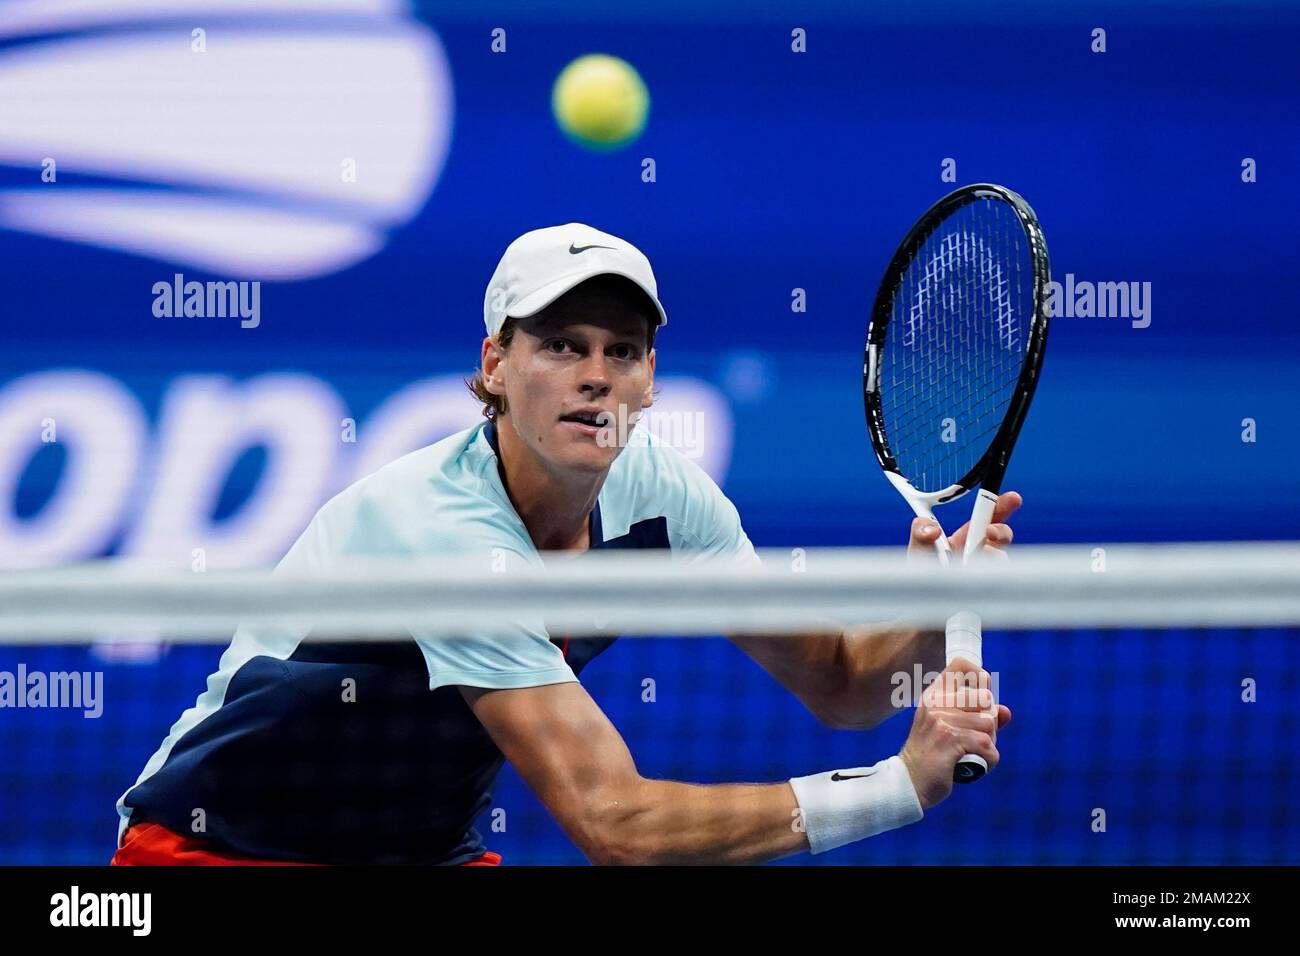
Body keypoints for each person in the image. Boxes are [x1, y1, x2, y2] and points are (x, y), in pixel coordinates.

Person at [113, 223, 1017, 866]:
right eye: (560, 345)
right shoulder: (441, 535)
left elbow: (839, 680)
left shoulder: (660, 496)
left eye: (623, 350)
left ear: (651, 380)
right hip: (216, 850)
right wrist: (894, 790)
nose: (595, 375)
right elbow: (616, 826)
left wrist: (929, 615)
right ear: (495, 367)